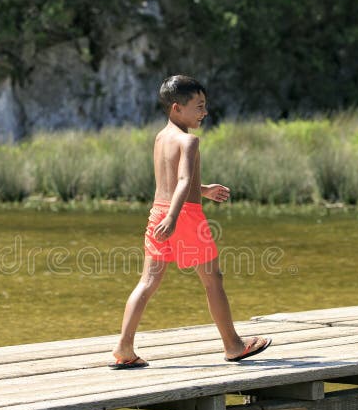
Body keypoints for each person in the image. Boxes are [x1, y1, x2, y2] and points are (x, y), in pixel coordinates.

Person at [110, 75, 271, 369]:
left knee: (147, 282)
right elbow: (182, 180)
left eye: (204, 106)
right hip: (182, 216)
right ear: (176, 108)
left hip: (158, 212)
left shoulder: (160, 138)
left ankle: (124, 347)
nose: (204, 112)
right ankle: (233, 345)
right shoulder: (189, 140)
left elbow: (170, 181)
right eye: (198, 106)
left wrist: (204, 190)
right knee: (213, 280)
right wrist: (175, 216)